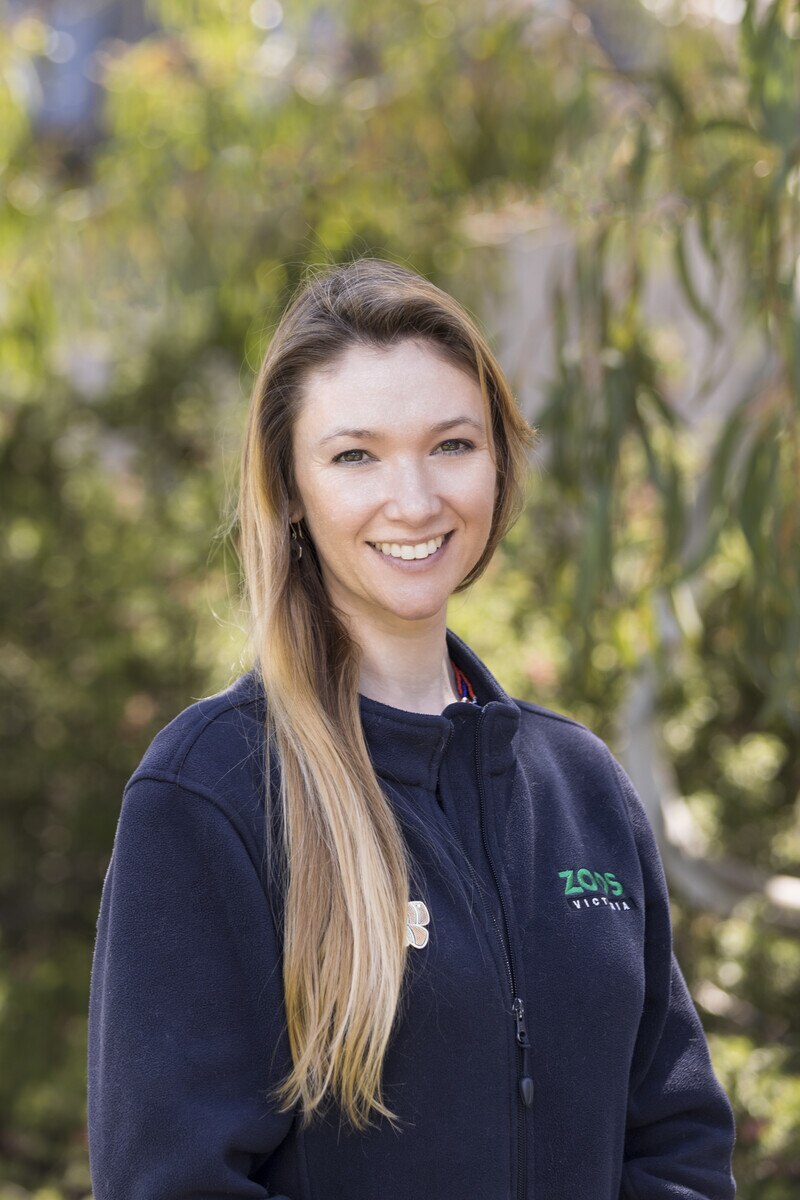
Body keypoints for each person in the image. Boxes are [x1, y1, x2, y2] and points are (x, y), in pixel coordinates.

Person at [87, 257, 737, 1199]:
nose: (417, 499)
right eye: (356, 455)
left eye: (452, 445)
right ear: (291, 489)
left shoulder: (580, 785)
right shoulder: (211, 793)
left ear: (499, 461)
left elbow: (677, 1142)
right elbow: (174, 1183)